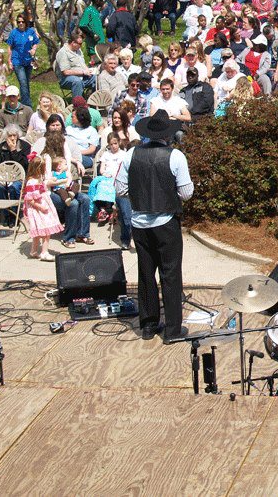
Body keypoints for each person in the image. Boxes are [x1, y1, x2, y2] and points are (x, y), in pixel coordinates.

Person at [114, 110, 194, 342]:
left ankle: (148, 325)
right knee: (170, 274)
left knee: (146, 273)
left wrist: (139, 194)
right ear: (167, 134)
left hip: (140, 222)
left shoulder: (131, 154)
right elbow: (187, 193)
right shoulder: (176, 156)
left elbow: (119, 189)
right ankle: (172, 330)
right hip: (166, 221)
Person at [22, 156, 63, 262]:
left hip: (43, 206)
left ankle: (34, 251)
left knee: (40, 231)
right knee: (46, 232)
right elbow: (30, 199)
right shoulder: (32, 182)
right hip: (39, 209)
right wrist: (41, 207)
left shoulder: (38, 179)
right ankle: (44, 252)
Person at [4, 14, 40, 108]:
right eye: (18, 22)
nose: (20, 23)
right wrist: (9, 61)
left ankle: (25, 99)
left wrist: (34, 50)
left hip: (28, 61)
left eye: (22, 22)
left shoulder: (30, 32)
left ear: (26, 22)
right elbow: (9, 47)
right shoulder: (14, 33)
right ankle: (27, 105)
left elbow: (36, 42)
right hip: (17, 61)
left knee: (26, 82)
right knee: (23, 82)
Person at [54, 29, 96, 99]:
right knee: (77, 81)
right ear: (73, 43)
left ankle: (93, 100)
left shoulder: (78, 50)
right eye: (80, 44)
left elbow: (82, 64)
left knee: (96, 78)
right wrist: (83, 72)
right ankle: (78, 105)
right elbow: (65, 72)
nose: (81, 46)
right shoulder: (63, 53)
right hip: (66, 79)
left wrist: (88, 70)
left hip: (82, 76)